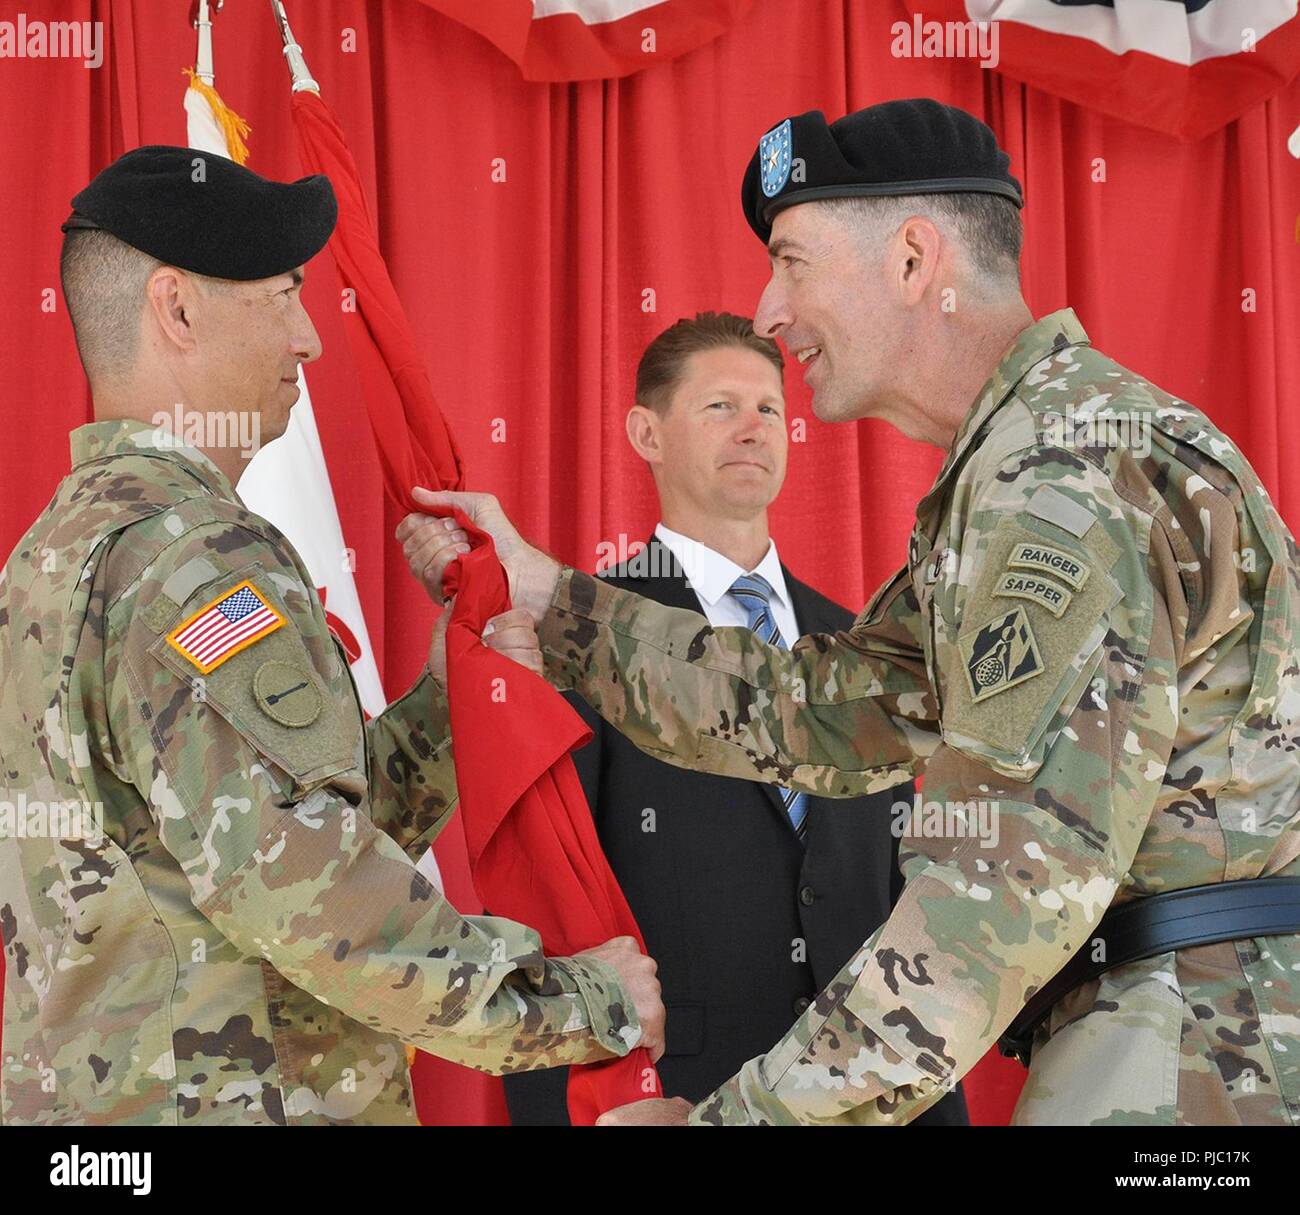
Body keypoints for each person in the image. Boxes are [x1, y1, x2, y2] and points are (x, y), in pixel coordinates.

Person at [398, 99, 1300, 1126]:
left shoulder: (1054, 480)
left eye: (792, 262)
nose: (770, 312)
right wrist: (551, 601)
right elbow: (827, 710)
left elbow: (998, 892)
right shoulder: (1031, 458)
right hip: (1192, 1031)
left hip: (1196, 1056)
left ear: (913, 260)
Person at [0, 145, 662, 1126]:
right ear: (177, 310)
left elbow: (256, 835)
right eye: (281, 294)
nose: (309, 339)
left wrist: (451, 702)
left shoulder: (46, 557)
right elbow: (308, 895)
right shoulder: (198, 555)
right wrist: (578, 1003)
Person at [501, 311, 966, 1125]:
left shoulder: (861, 643)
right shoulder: (582, 635)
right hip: (680, 1096)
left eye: (768, 408)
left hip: (874, 1094)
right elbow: (545, 887)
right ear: (646, 431)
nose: (752, 429)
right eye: (720, 406)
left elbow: (903, 890)